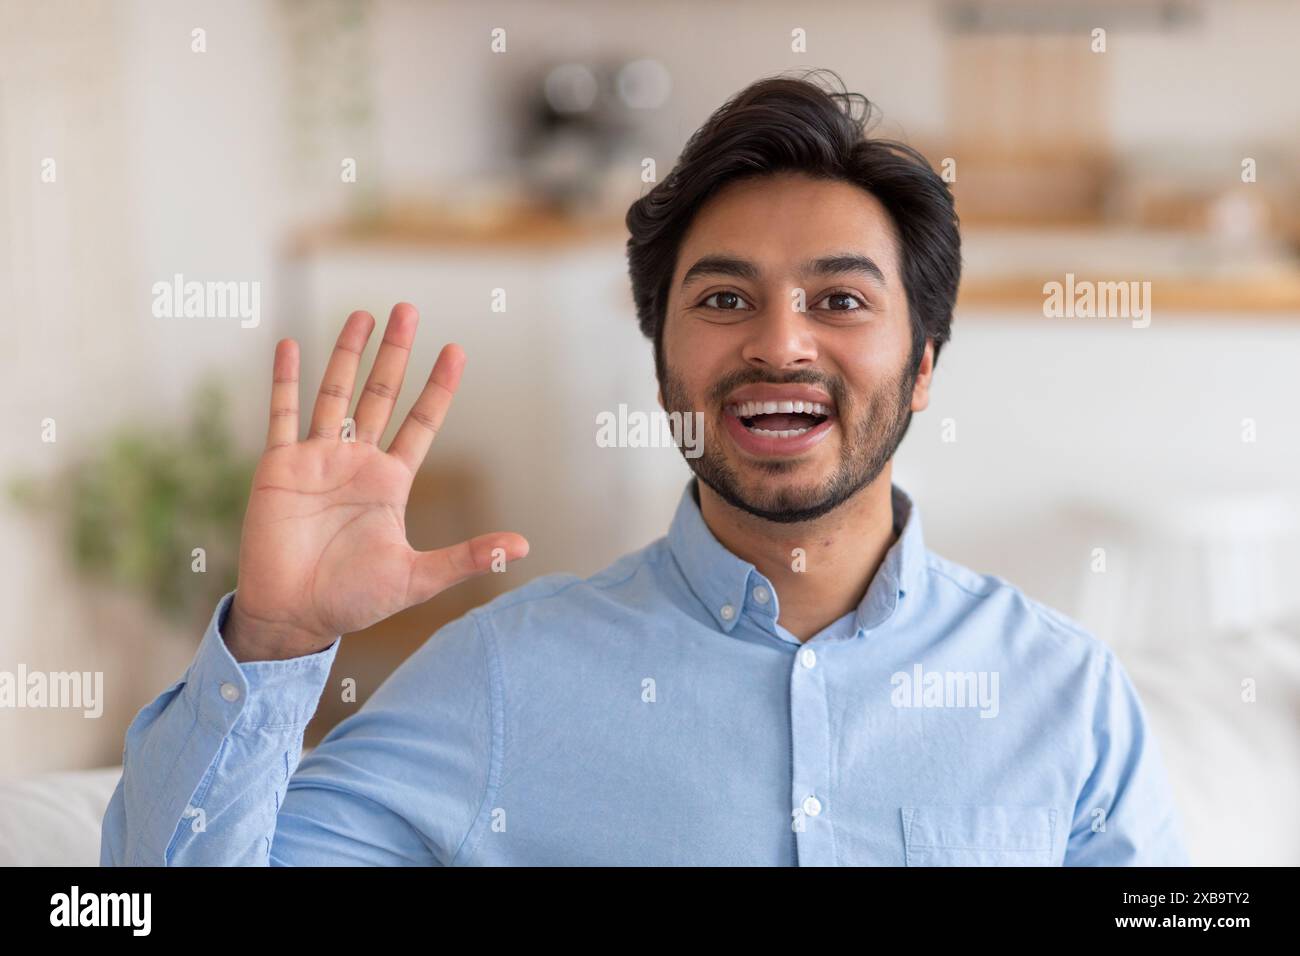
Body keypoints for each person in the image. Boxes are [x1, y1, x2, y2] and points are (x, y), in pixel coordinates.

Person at [101, 69, 1189, 866]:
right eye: (723, 299)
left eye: (840, 299)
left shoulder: (1066, 694)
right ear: (665, 365)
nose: (780, 342)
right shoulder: (500, 678)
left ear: (922, 367)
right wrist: (278, 643)